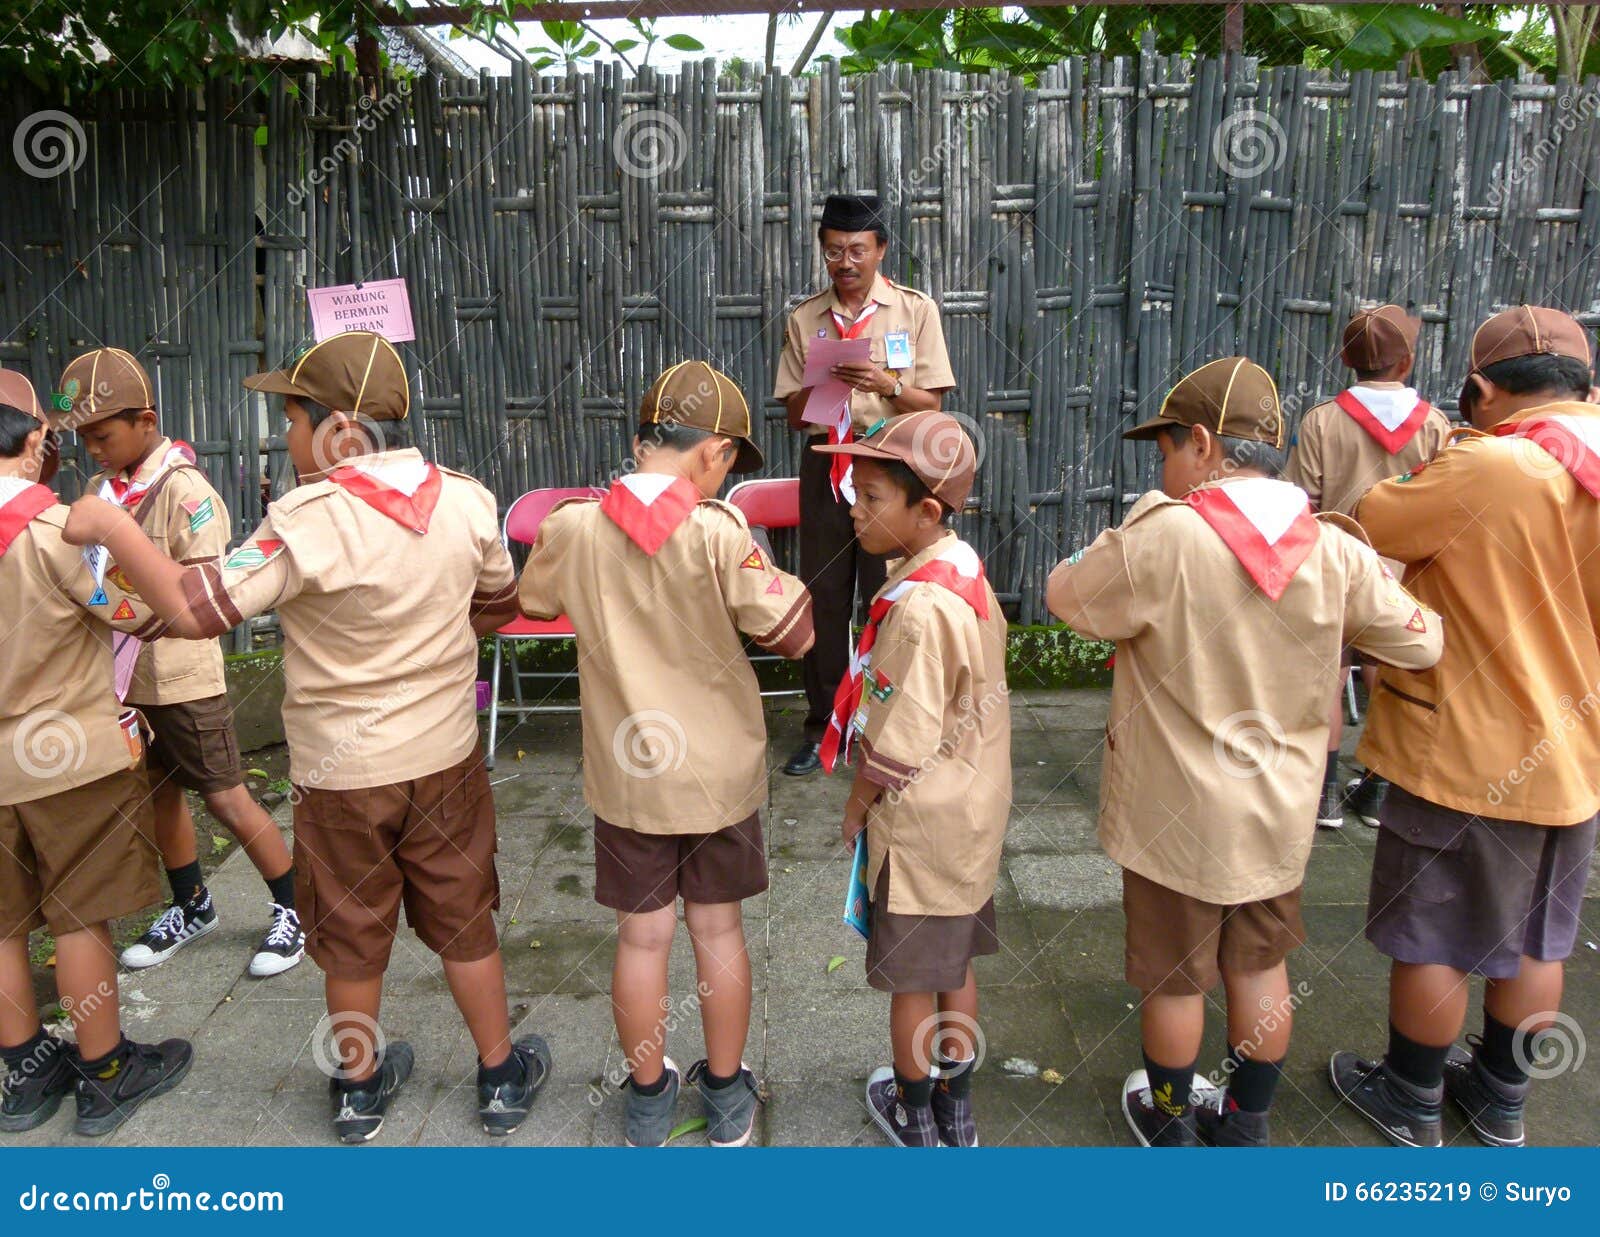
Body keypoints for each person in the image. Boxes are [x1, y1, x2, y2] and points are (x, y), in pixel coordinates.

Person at [59, 332, 550, 1144]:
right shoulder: (466, 499)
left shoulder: (302, 520)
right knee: (465, 916)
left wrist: (112, 519)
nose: (286, 438)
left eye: (292, 419)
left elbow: (191, 609)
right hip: (445, 760)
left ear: (339, 430)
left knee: (352, 934)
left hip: (341, 774)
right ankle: (499, 1074)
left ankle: (357, 1089)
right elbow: (502, 603)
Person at [1047, 358, 1443, 1147]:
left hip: (1176, 814)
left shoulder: (1168, 536)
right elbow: (1421, 641)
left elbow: (1069, 598)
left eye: (1165, 450)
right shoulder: (1333, 550)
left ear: (1202, 443)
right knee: (1260, 965)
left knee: (1172, 975)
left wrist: (1140, 517)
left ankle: (1168, 1124)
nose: (1163, 467)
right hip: (1278, 809)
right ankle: (1246, 1121)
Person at [518, 360, 814, 1148]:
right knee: (718, 931)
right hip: (716, 773)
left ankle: (648, 1098)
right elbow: (795, 633)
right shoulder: (721, 533)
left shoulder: (574, 527)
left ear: (641, 439)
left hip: (630, 772)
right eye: (729, 461)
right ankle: (725, 1095)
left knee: (642, 936)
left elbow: (534, 601)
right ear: (712, 452)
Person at [1330, 306, 1600, 1148]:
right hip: (1574, 755)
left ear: (1480, 391)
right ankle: (1500, 1097)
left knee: (1437, 931)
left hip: (1470, 747)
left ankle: (1411, 1097)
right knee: (1538, 935)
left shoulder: (1495, 466)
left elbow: (1378, 518)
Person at [54, 347, 303, 978]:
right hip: (122, 683)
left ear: (146, 420)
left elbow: (199, 590)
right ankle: (192, 904)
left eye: (103, 435)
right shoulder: (98, 491)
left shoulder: (186, 491)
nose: (93, 451)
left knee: (226, 797)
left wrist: (112, 595)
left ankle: (296, 907)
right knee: (158, 798)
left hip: (182, 677)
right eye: (83, 438)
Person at [0, 370, 193, 1138]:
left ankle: (22, 1074)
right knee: (79, 916)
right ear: (37, 438)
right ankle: (107, 1070)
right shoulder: (56, 535)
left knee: (4, 921)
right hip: (69, 760)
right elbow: (146, 611)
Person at [812, 410, 1010, 1148]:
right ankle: (958, 1107)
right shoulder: (961, 571)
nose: (854, 509)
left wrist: (857, 808)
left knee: (910, 982)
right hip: (972, 814)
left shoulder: (919, 610)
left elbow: (895, 742)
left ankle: (915, 1107)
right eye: (854, 492)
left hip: (921, 825)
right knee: (954, 961)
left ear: (925, 511)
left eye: (871, 496)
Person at [772, 193, 956, 777]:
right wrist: (816, 382)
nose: (844, 262)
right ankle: (823, 723)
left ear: (879, 250)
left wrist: (880, 380)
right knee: (824, 599)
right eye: (832, 251)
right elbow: (794, 416)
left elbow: (933, 400)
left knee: (893, 594)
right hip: (826, 465)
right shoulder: (806, 319)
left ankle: (889, 724)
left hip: (892, 469)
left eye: (856, 249)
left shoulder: (913, 310)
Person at [1284, 308, 1451, 829]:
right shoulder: (1438, 424)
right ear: (1409, 360)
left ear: (1346, 360)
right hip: (1405, 575)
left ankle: (1324, 797)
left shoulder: (1322, 420)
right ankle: (1378, 789)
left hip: (1334, 569)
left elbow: (1300, 501)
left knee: (1329, 679)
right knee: (1393, 674)